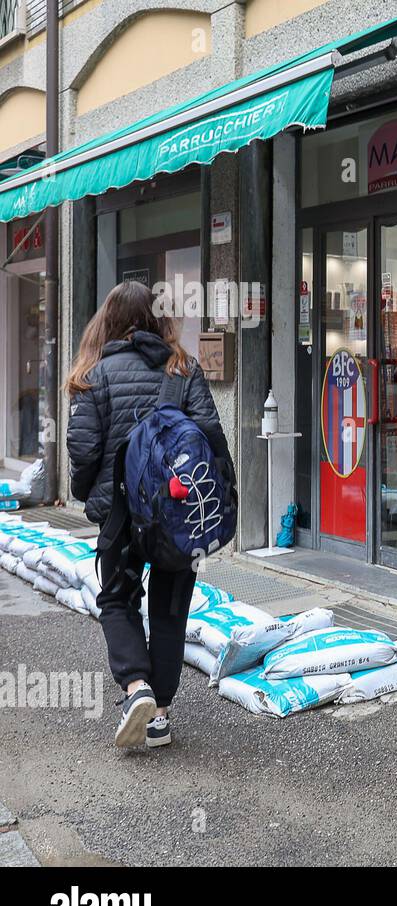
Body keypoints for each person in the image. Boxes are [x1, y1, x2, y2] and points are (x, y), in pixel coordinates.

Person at [66, 281, 232, 749]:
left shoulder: (95, 373)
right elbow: (211, 437)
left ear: (109, 320)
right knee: (170, 608)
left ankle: (136, 686)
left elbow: (83, 449)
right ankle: (159, 715)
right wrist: (222, 498)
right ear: (160, 319)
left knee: (117, 599)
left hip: (120, 516)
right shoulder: (183, 368)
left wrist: (88, 494)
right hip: (176, 515)